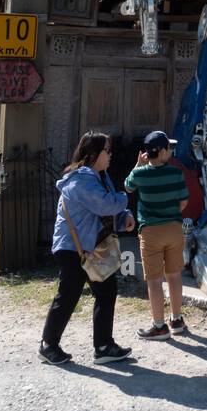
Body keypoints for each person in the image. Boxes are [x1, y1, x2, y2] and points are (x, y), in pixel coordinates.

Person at [40, 130, 136, 365]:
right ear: (94, 153)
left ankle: (103, 347)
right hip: (73, 247)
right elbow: (104, 205)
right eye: (106, 150)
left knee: (106, 291)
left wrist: (124, 217)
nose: (110, 155)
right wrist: (125, 199)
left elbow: (106, 210)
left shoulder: (99, 176)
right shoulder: (82, 179)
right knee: (69, 295)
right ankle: (48, 345)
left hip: (91, 246)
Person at [125, 129, 189, 339]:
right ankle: (177, 319)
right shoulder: (176, 172)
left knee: (154, 279)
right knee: (174, 274)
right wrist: (170, 214)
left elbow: (128, 187)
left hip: (150, 231)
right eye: (168, 147)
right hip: (173, 228)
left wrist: (138, 165)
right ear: (161, 152)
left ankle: (159, 325)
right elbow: (183, 201)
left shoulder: (140, 174)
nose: (171, 150)